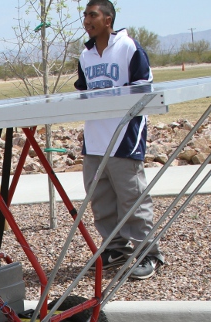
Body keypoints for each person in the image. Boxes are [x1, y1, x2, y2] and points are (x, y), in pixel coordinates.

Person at [74, 0, 164, 280]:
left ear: (108, 19)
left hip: (124, 136)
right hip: (95, 138)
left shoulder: (129, 48)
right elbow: (83, 93)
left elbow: (143, 88)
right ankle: (116, 248)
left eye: (93, 15)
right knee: (100, 198)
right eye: (85, 15)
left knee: (132, 197)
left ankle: (149, 253)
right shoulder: (85, 56)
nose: (87, 20)